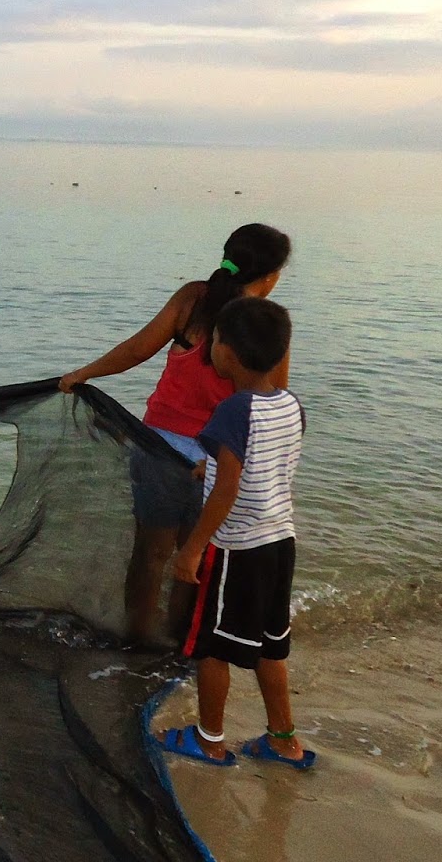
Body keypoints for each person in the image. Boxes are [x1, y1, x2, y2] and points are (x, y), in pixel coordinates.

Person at [58, 224, 291, 640]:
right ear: (270, 276)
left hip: (158, 446)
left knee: (151, 553)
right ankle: (179, 642)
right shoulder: (267, 327)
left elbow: (136, 349)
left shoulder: (191, 299)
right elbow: (269, 403)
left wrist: (83, 374)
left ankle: (136, 640)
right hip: (216, 456)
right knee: (194, 556)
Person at [156, 296, 314, 769]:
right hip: (279, 541)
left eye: (217, 340)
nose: (213, 346)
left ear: (227, 354)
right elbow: (259, 463)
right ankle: (284, 740)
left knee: (210, 646)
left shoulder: (232, 412)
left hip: (236, 548)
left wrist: (192, 548)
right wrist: (214, 464)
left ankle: (209, 740)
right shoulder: (289, 403)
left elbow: (227, 491)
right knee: (270, 646)